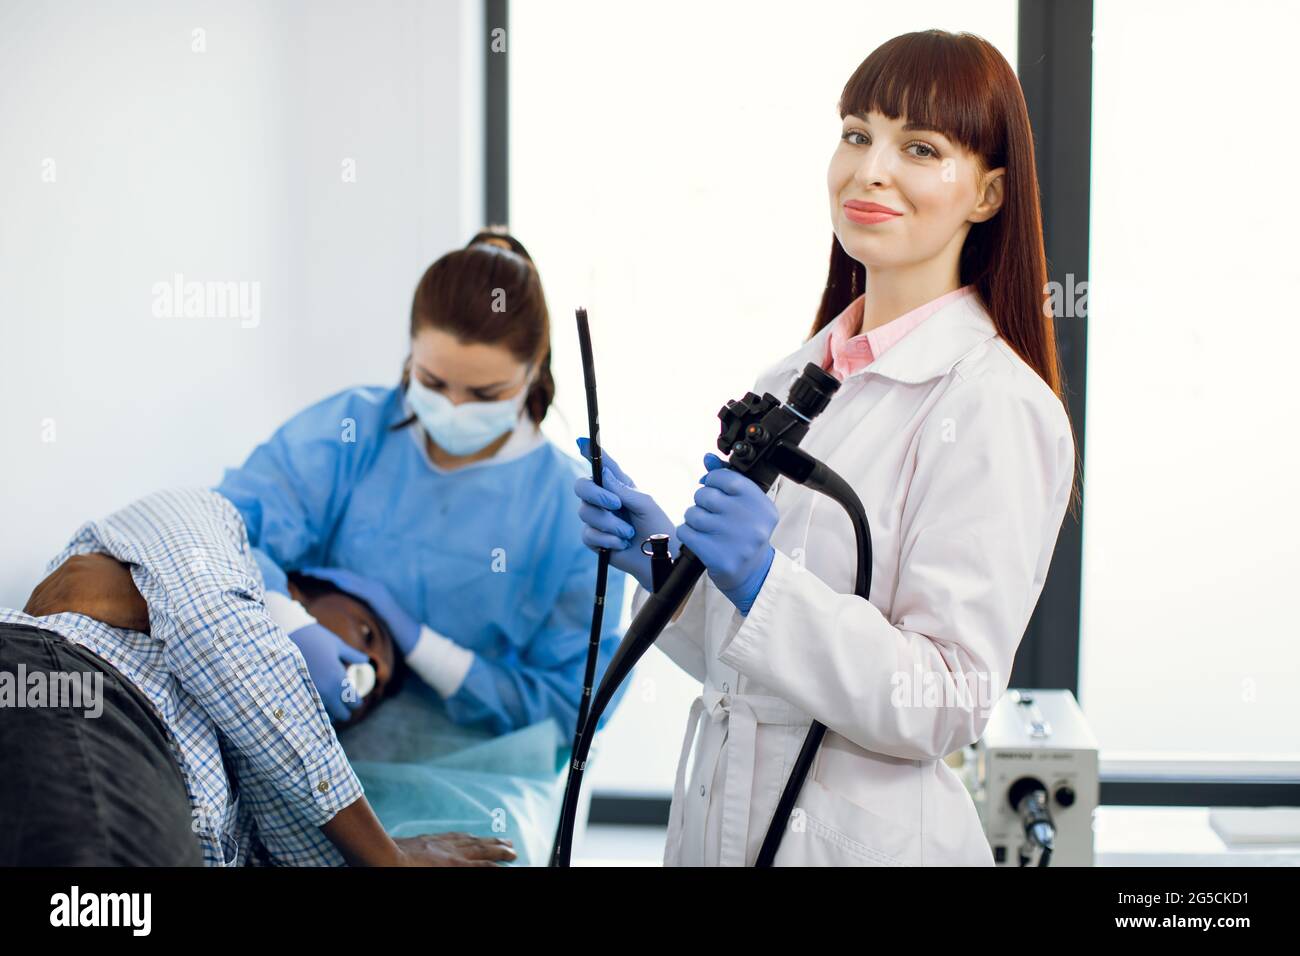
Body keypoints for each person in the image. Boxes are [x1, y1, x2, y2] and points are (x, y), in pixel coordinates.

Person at [573, 30, 1080, 866]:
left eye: (919, 147)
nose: (870, 169)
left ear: (987, 194)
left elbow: (943, 701)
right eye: (856, 133)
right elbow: (750, 669)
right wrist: (664, 562)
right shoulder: (798, 375)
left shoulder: (996, 406)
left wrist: (766, 579)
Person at [215, 228, 628, 735]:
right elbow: (224, 532)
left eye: (485, 392)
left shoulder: (571, 510)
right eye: (432, 383)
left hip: (473, 767)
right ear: (411, 353)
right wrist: (291, 622)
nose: (453, 407)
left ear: (534, 369)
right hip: (299, 724)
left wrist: (424, 648)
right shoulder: (349, 433)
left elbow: (575, 701)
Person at [3, 488, 516, 867]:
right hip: (85, 695)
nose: (373, 672)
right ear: (302, 588)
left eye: (379, 692)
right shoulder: (208, 518)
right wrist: (385, 856)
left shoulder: (264, 794)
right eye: (367, 633)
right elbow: (209, 622)